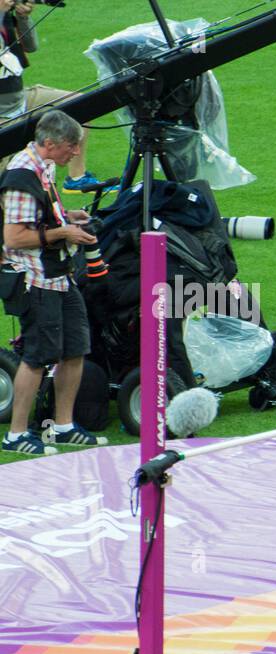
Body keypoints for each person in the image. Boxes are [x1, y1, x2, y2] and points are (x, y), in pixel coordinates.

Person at [1, 108, 106, 455]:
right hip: (37, 279)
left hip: (59, 274)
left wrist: (66, 216)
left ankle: (62, 427)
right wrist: (63, 231)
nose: (76, 152)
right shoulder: (20, 176)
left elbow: (41, 216)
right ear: (49, 143)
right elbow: (15, 238)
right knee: (37, 356)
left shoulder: (44, 166)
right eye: (71, 146)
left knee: (75, 348)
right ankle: (16, 434)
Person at [0, 0, 112, 191]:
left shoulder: (5, 16)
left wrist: (23, 17)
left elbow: (31, 46)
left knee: (80, 105)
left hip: (22, 98)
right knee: (9, 180)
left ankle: (77, 177)